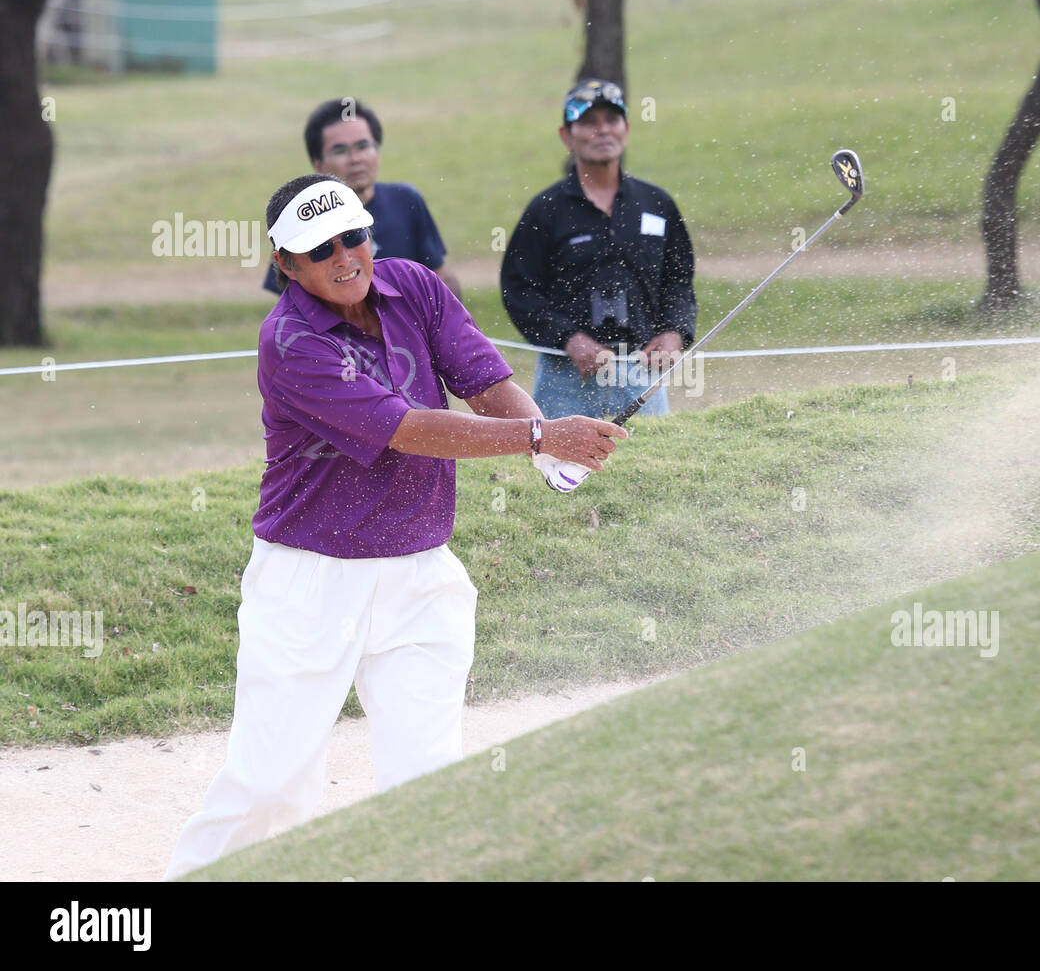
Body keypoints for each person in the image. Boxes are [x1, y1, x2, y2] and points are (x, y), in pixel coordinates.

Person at [166, 173, 624, 880]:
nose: (344, 255)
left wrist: (547, 452)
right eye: (320, 248)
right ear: (285, 264)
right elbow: (407, 429)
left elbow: (481, 384)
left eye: (353, 236)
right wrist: (541, 439)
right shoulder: (288, 340)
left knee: (429, 782)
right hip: (308, 583)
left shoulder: (413, 285)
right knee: (269, 787)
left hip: (420, 574)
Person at [500, 79, 697, 420]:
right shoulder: (545, 210)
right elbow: (519, 291)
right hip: (565, 377)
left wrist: (674, 333)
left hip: (641, 371)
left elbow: (679, 282)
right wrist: (569, 339)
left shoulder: (657, 204)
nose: (602, 130)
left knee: (654, 466)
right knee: (558, 470)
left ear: (626, 128)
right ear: (566, 135)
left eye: (612, 120)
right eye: (589, 122)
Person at [261, 98, 461, 299]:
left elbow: (438, 277)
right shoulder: (302, 219)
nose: (355, 159)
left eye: (363, 146)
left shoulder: (406, 199)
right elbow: (291, 302)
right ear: (318, 164)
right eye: (340, 151)